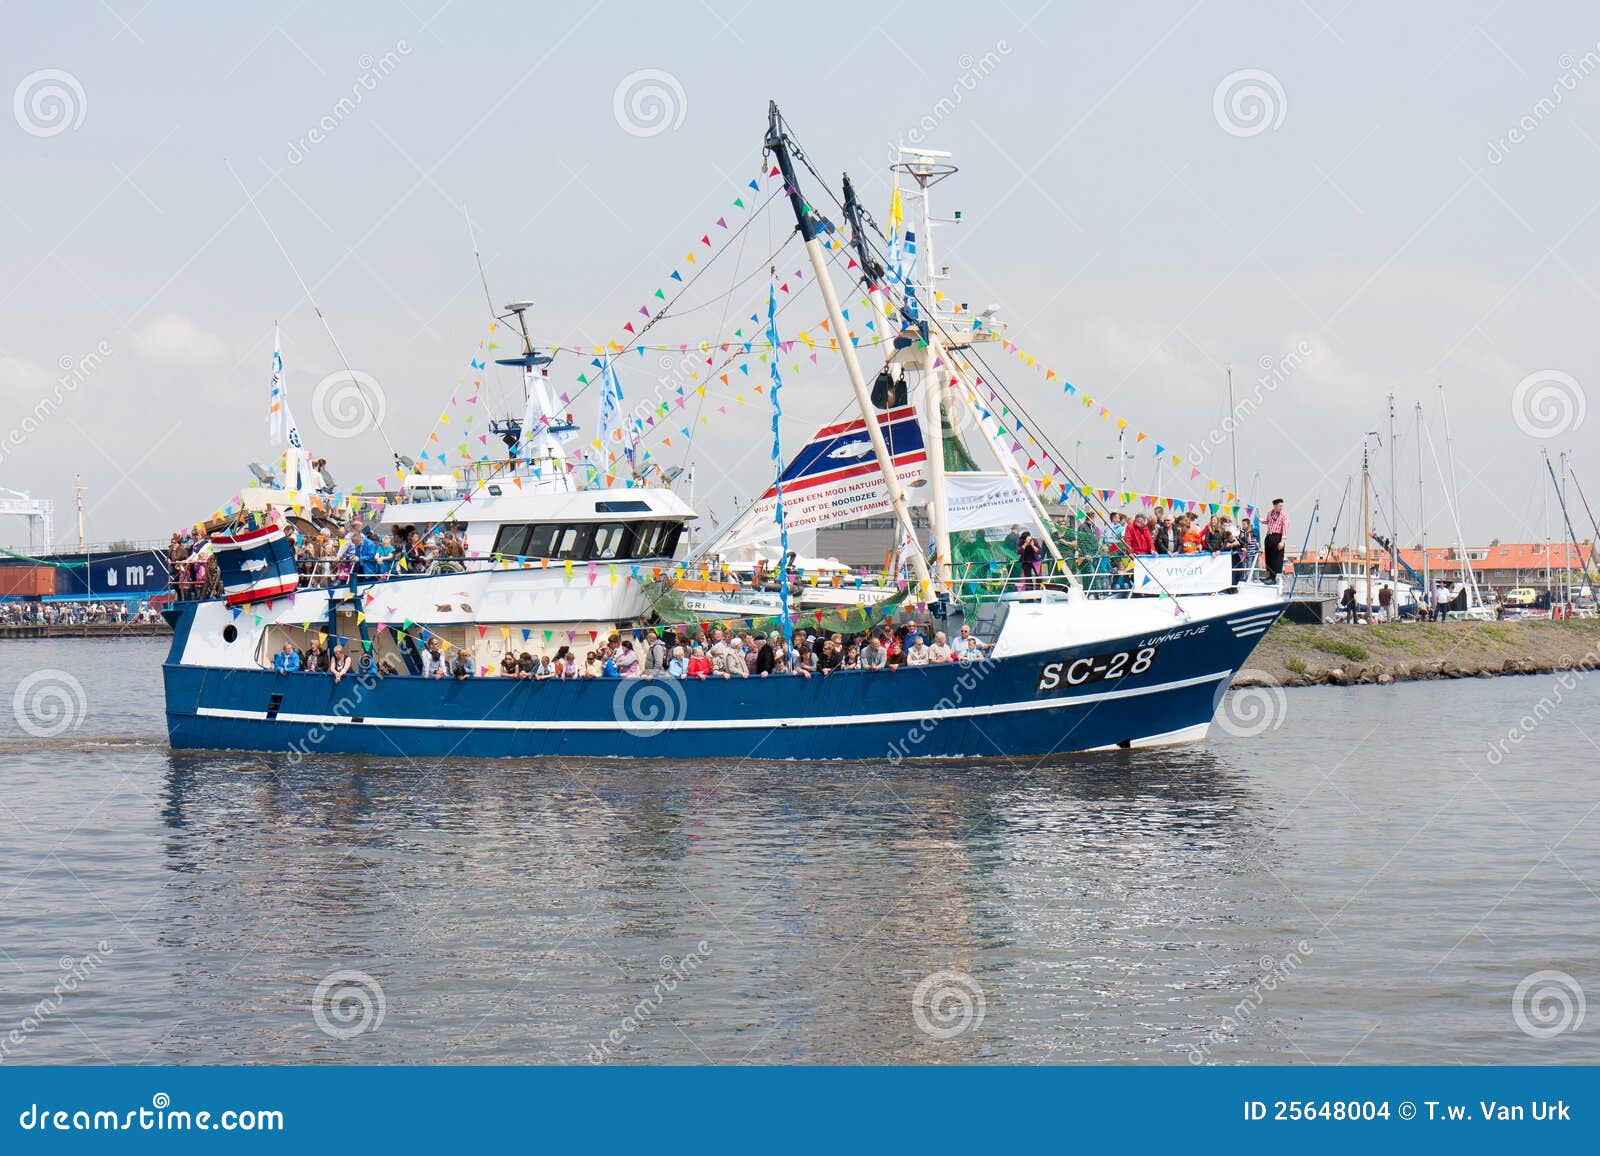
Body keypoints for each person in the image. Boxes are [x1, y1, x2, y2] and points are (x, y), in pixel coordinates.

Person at [1263, 499, 1288, 580]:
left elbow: (1285, 528)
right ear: (1275, 506)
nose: (1281, 507)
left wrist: (1282, 541)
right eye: (1279, 506)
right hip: (1269, 536)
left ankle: (1273, 577)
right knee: (1268, 557)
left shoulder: (1284, 515)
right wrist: (1261, 520)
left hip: (1277, 537)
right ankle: (1269, 576)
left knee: (1275, 558)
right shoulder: (1270, 513)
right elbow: (1267, 521)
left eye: (1282, 506)